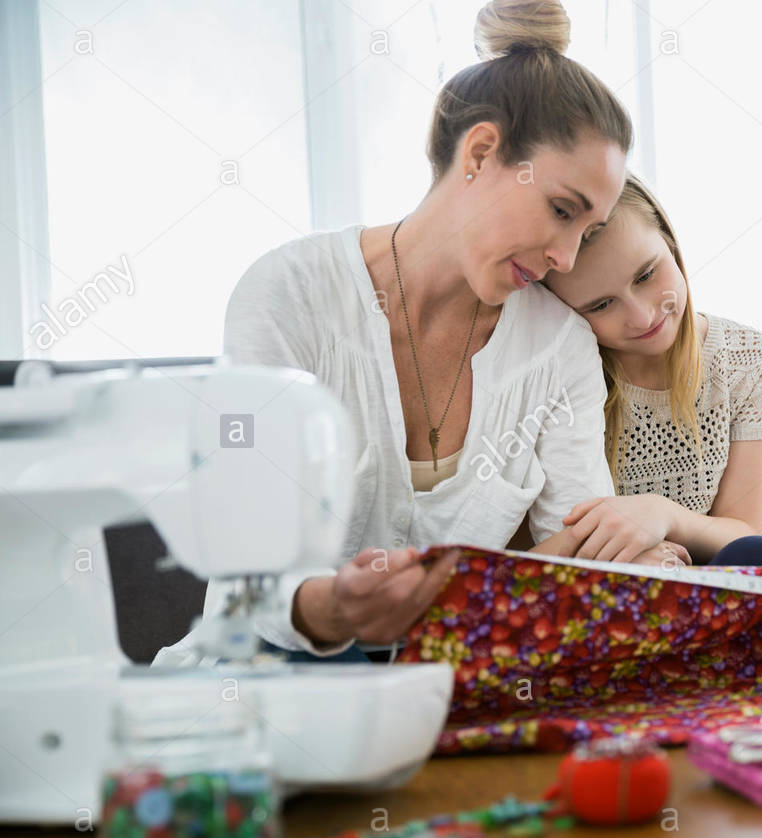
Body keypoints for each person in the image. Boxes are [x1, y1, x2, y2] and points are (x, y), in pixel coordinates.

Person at [157, 0, 682, 666]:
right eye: (560, 211)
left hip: (449, 692)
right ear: (483, 151)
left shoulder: (558, 344)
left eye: (587, 231)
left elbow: (581, 551)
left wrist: (652, 567)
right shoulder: (289, 295)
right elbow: (247, 569)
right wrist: (333, 609)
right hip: (264, 688)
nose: (567, 260)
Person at [543, 174, 762, 662]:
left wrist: (663, 515)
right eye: (601, 304)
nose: (641, 314)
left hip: (714, 599)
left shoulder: (751, 362)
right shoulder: (557, 381)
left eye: (647, 274)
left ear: (670, 245)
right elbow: (527, 554)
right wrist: (634, 559)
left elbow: (744, 532)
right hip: (604, 605)